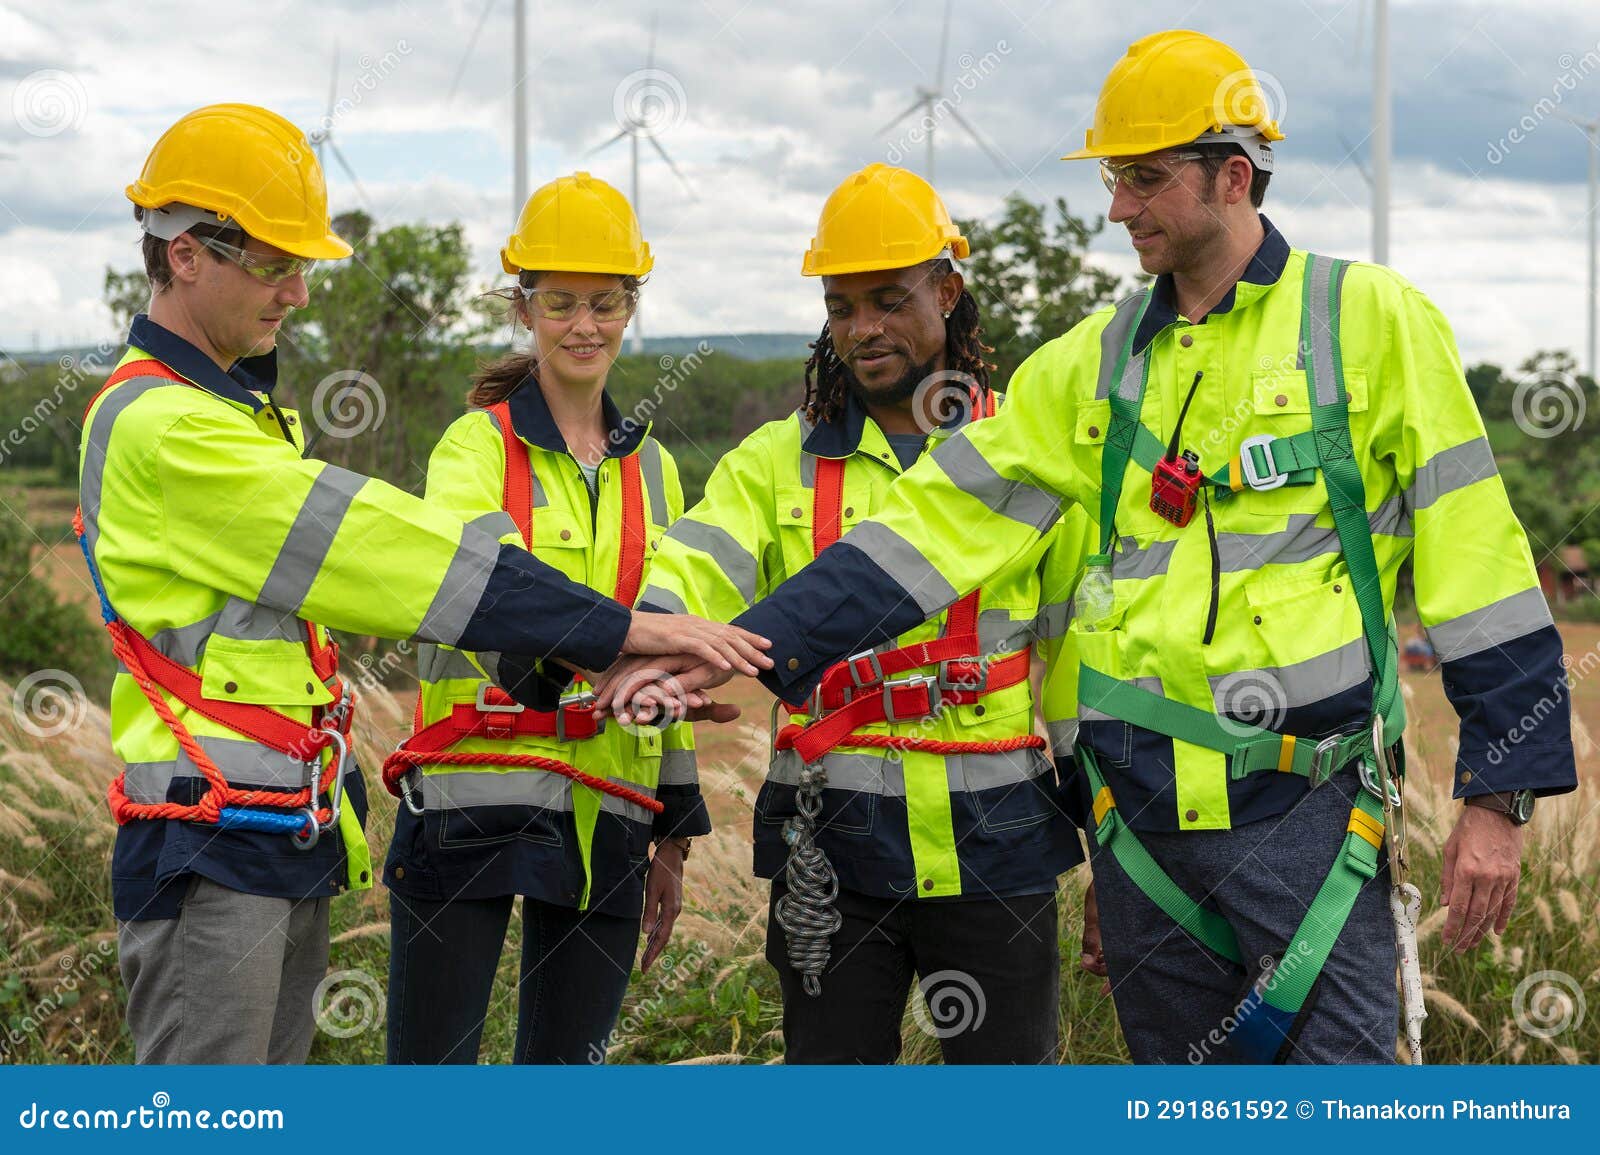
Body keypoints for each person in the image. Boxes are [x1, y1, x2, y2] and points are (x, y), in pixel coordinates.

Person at [604, 30, 1578, 1064]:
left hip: (1311, 821)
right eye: (1115, 180)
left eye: (1144, 180)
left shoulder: (1367, 323)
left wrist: (1496, 795)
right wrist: (730, 645)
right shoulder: (1090, 366)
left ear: (1231, 176)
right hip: (1141, 831)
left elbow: (1479, 562)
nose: (1118, 208)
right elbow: (926, 532)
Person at [87, 106, 765, 1064]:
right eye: (279, 265)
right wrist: (620, 636)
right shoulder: (169, 427)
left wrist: (671, 798)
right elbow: (390, 551)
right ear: (188, 253)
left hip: (275, 827)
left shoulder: (231, 413)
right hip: (218, 834)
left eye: (606, 300)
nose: (301, 293)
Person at [639, 164, 1090, 1064]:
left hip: (998, 850)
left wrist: (1110, 840)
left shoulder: (1030, 457)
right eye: (842, 308)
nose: (863, 329)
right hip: (830, 847)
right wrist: (645, 640)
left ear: (949, 290)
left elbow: (1081, 655)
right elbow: (692, 563)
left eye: (889, 300)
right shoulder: (774, 462)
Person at [384, 173, 713, 1064]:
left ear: (631, 307)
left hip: (609, 807)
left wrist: (672, 827)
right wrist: (613, 662)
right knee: (432, 1083)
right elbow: (481, 593)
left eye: (606, 304)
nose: (584, 326)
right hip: (468, 798)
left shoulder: (655, 473)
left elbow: (672, 652)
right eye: (561, 302)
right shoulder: (474, 446)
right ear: (523, 308)